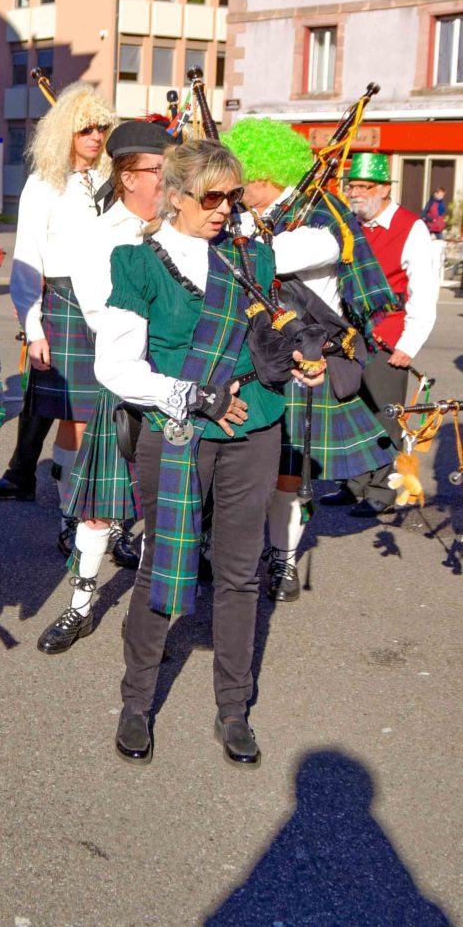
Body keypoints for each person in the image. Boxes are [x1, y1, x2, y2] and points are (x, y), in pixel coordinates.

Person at [97, 139, 323, 767]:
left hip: (255, 428)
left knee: (240, 571)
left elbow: (277, 325)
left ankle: (233, 709)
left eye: (232, 195)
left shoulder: (251, 257)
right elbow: (115, 365)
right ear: (173, 197)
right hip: (177, 431)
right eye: (210, 196)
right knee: (160, 565)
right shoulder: (137, 264)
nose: (225, 208)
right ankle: (137, 702)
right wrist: (195, 398)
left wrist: (298, 358)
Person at [221, 118, 398, 600]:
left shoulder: (321, 218)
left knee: (287, 476)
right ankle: (224, 552)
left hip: (303, 362)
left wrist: (234, 240)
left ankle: (281, 560)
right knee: (235, 468)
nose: (232, 192)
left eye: (239, 180)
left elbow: (266, 259)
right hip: (250, 359)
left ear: (261, 176)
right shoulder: (248, 218)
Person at [37, 120, 170, 654]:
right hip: (129, 379)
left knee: (178, 505)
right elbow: (99, 310)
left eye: (169, 170)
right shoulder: (98, 234)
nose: (167, 180)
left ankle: (162, 610)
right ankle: (80, 606)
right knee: (100, 509)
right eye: (157, 171)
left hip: (185, 381)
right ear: (127, 176)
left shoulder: (182, 229)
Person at [0, 86, 116, 548]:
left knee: (102, 416)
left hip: (108, 306)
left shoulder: (110, 182)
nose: (95, 136)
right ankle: (74, 511)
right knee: (78, 420)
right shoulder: (43, 184)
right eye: (85, 128)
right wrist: (33, 327)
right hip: (63, 304)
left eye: (102, 127)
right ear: (64, 132)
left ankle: (89, 509)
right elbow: (27, 258)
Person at [341, 153, 442, 516]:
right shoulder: (349, 223)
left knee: (384, 415)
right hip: (348, 334)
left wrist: (409, 343)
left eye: (362, 187)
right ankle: (354, 483)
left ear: (384, 189)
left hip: (387, 335)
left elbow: (422, 291)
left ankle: (383, 491)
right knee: (351, 411)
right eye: (351, 186)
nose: (354, 193)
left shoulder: (410, 226)